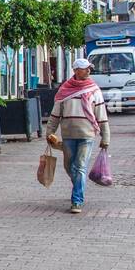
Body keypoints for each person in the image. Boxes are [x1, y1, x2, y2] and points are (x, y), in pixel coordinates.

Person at [44, 57, 110, 215]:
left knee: (80, 166)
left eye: (89, 68)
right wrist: (49, 132)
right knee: (69, 166)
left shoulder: (94, 90)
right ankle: (78, 187)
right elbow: (55, 115)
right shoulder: (64, 91)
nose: (88, 71)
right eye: (84, 68)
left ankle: (77, 200)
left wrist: (105, 136)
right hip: (68, 135)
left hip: (87, 134)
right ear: (75, 70)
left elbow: (101, 114)